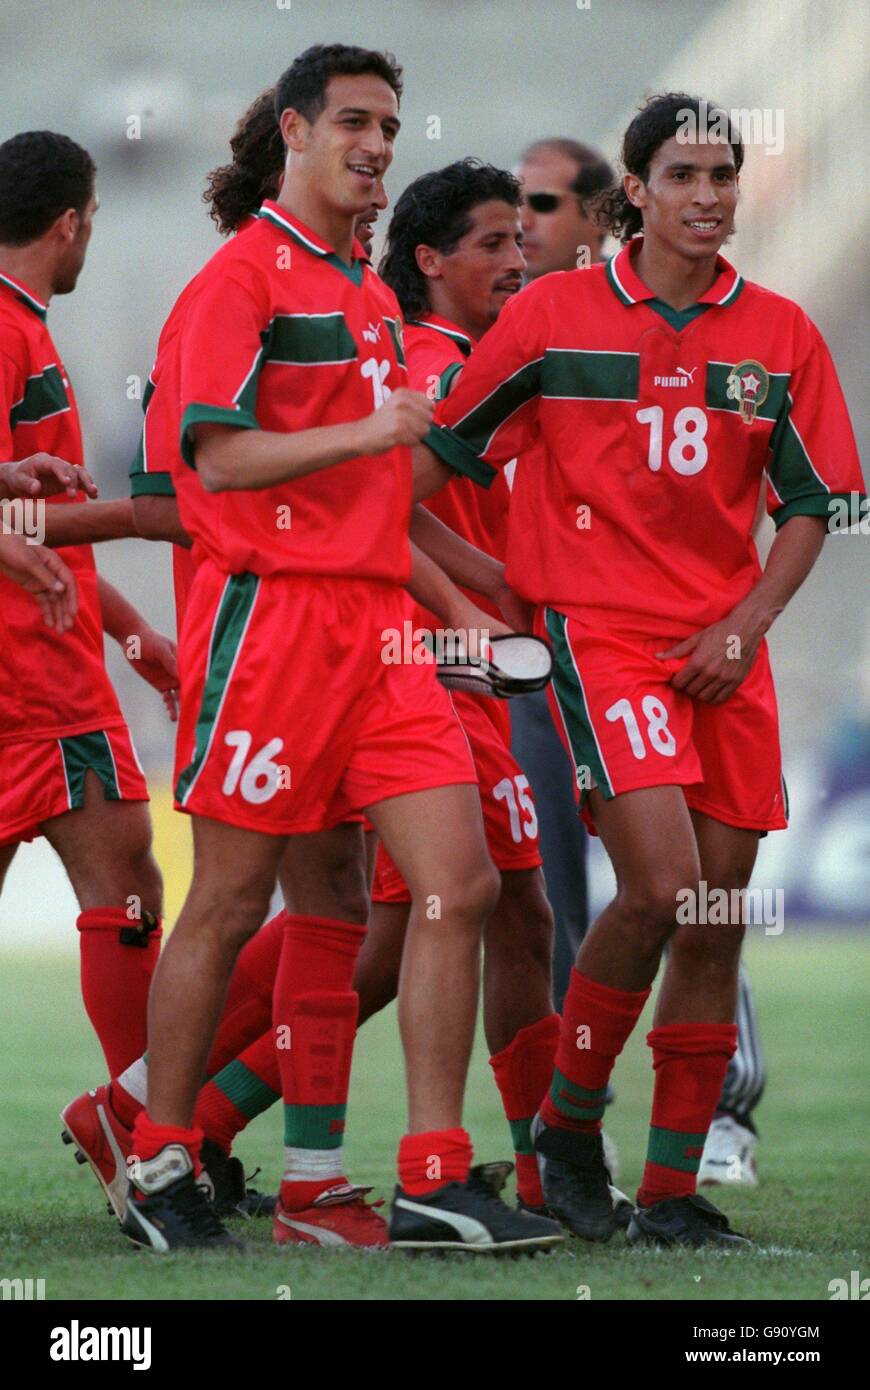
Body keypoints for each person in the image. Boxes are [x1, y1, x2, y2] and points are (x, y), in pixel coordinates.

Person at [120, 43, 562, 1256]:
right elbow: (215, 461)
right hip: (273, 624)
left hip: (385, 632)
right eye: (356, 123)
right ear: (298, 133)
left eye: (390, 125)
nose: (378, 145)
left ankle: (426, 1173)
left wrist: (486, 598)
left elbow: (388, 491)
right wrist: (377, 427)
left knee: (458, 884)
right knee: (227, 899)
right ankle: (159, 1155)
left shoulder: (366, 295)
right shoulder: (238, 283)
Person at [415, 92, 864, 1248]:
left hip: (726, 652)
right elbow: (420, 474)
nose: (708, 195)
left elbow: (818, 505)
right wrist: (500, 589)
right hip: (603, 641)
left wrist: (748, 625)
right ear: (638, 194)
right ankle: (570, 1123)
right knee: (661, 885)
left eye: (723, 174)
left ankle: (670, 1194)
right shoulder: (554, 317)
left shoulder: (782, 335)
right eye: (683, 175)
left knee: (712, 920)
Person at [0, 130, 176, 1082]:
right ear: (68, 223)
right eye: (93, 220)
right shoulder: (6, 329)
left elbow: (36, 514)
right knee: (127, 880)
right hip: (33, 667)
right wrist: (148, 521)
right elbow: (31, 526)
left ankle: (147, 1131)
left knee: (126, 878)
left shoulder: (21, 327)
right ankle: (146, 1135)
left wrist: (134, 626)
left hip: (47, 646)